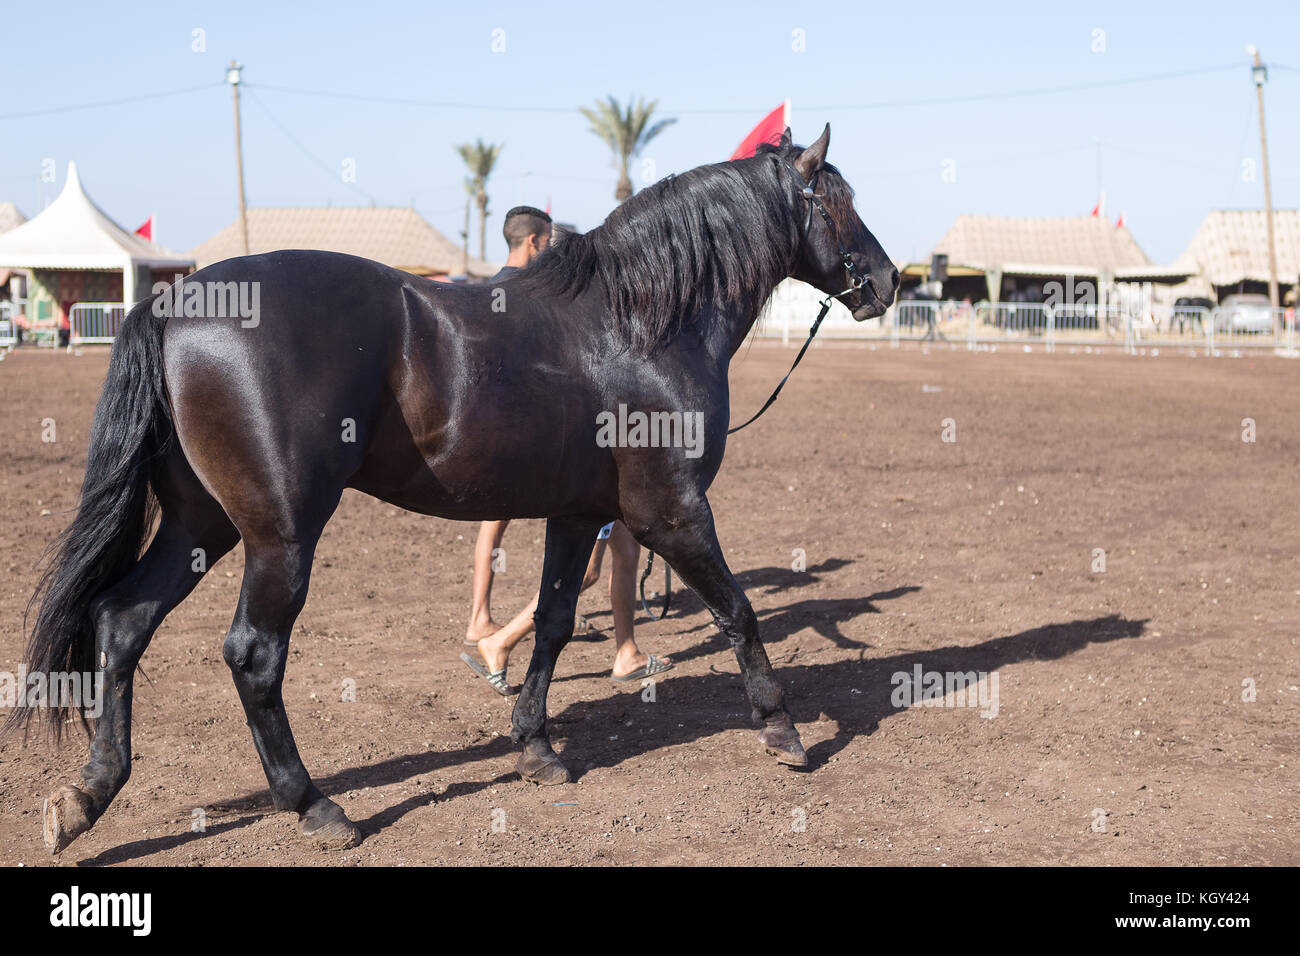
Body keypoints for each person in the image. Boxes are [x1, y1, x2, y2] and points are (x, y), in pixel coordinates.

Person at [462, 207, 673, 695]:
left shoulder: (498, 292)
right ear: (536, 242)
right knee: (590, 566)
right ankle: (504, 641)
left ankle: (625, 651)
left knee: (622, 549)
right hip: (583, 447)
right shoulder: (553, 298)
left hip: (534, 442)